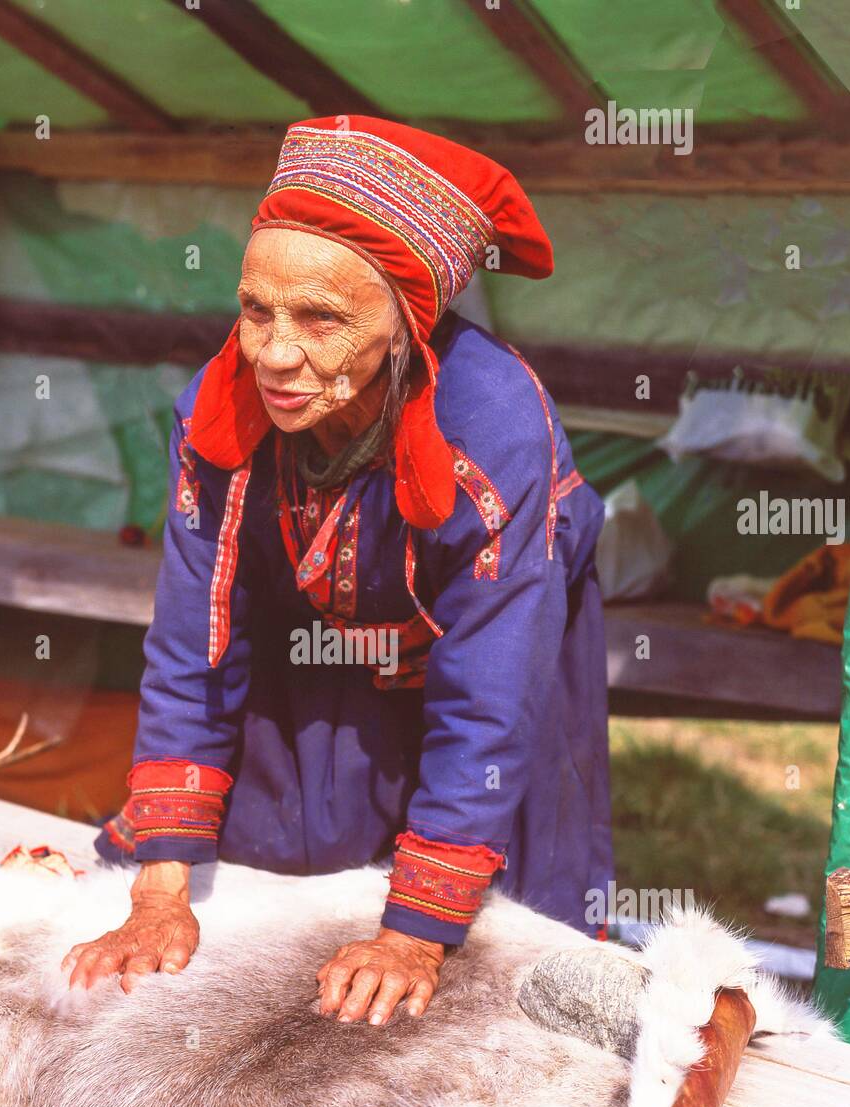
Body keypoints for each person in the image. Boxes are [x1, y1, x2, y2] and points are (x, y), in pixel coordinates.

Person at [63, 115, 613, 1024]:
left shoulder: (494, 426)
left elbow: (490, 687)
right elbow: (194, 641)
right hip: (314, 626)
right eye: (254, 310)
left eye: (320, 317)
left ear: (407, 324)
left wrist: (411, 939)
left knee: (498, 952)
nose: (275, 354)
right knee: (277, 889)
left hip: (482, 637)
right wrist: (157, 896)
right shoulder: (219, 407)